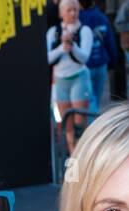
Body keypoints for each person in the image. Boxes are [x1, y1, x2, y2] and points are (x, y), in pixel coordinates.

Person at [49, 0, 94, 153]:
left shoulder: (85, 30)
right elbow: (47, 58)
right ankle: (73, 156)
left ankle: (84, 155)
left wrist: (72, 46)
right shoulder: (53, 32)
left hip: (78, 78)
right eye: (69, 10)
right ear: (61, 13)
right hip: (61, 80)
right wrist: (62, 48)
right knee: (66, 123)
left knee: (80, 122)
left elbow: (85, 58)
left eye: (75, 9)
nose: (73, 13)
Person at [79, 0, 118, 112]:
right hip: (101, 63)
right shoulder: (101, 17)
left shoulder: (76, 19)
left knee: (91, 100)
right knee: (96, 98)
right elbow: (110, 42)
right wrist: (112, 63)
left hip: (84, 66)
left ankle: (92, 125)